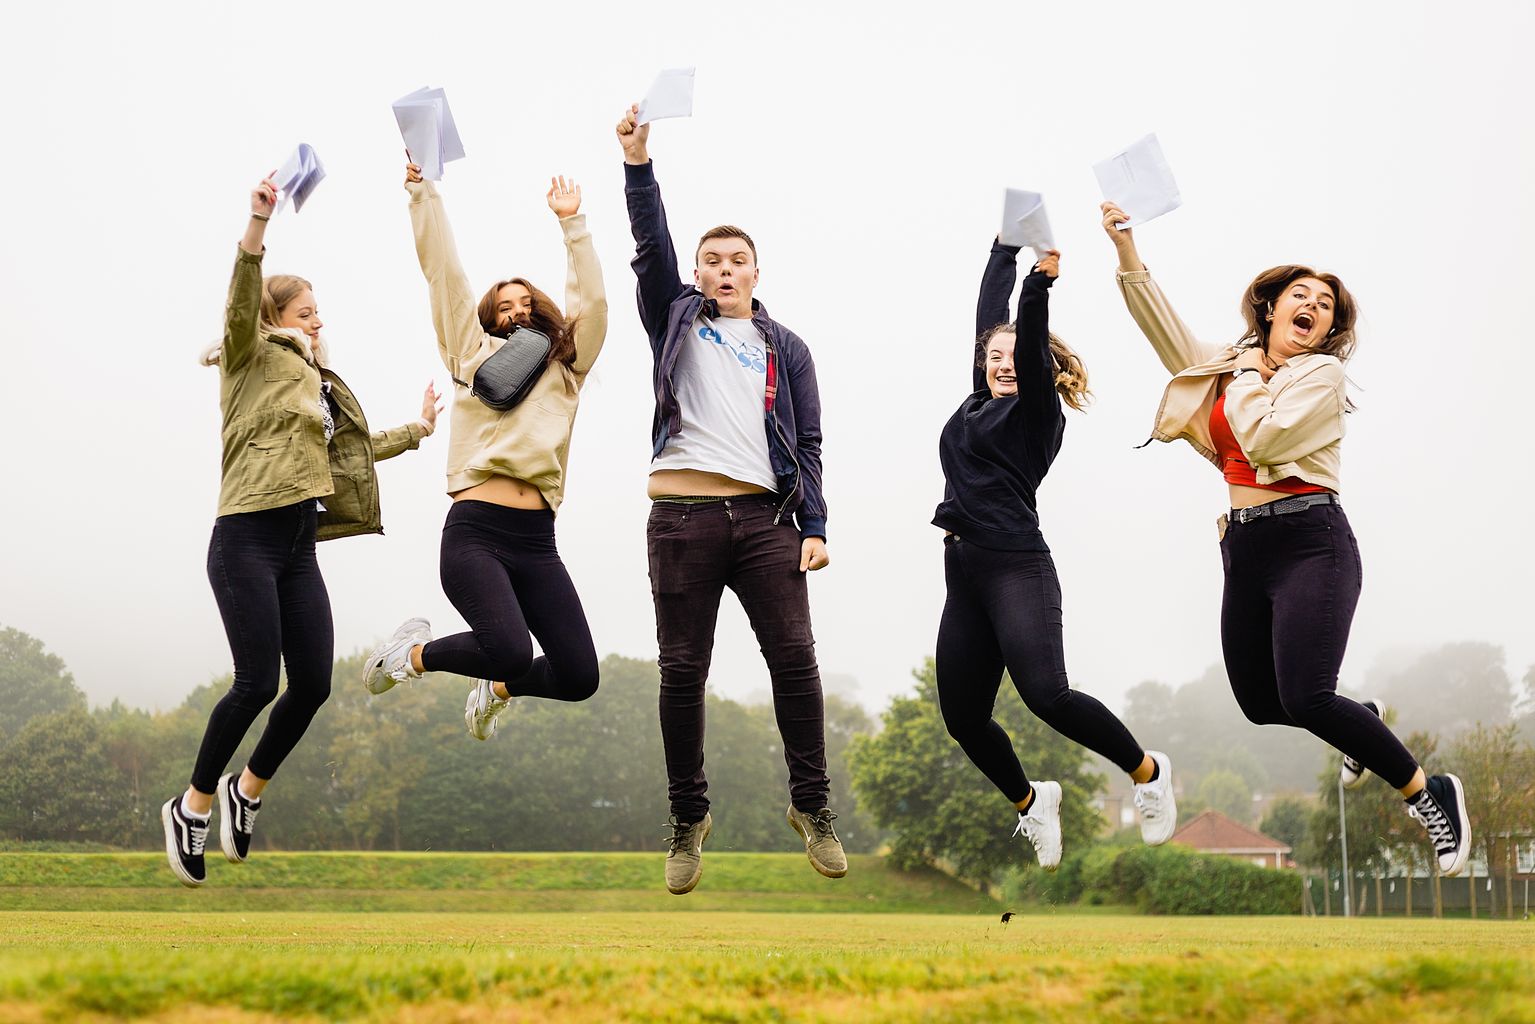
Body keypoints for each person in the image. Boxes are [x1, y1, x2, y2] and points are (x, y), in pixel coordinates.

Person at [1100, 199, 1470, 876]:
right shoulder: (1228, 361)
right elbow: (1160, 326)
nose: (1312, 306)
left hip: (1311, 542)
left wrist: (1242, 374)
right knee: (1258, 703)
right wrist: (1125, 249)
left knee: (1305, 695)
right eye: (1298, 296)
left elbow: (1262, 436)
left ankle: (1427, 792)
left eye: (1324, 305)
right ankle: (1359, 718)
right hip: (1245, 549)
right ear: (1268, 309)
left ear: (1329, 328)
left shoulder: (1319, 377)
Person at [163, 174, 438, 887]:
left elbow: (346, 453)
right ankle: (191, 806)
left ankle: (243, 791)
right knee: (256, 682)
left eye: (321, 312)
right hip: (245, 539)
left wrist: (418, 430)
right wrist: (257, 225)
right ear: (274, 316)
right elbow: (240, 297)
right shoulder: (250, 359)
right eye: (306, 312)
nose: (318, 321)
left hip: (294, 549)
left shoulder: (317, 383)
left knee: (311, 685)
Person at [615, 104, 842, 894]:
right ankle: (688, 819)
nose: (720, 268)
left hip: (764, 520)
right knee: (681, 671)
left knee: (795, 661)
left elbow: (807, 443)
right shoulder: (673, 319)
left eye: (735, 258)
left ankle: (811, 807)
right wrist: (637, 165)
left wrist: (814, 525)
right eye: (710, 258)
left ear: (755, 272)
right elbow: (650, 250)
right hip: (679, 517)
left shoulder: (788, 348)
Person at [934, 238, 1177, 870]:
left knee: (1048, 695)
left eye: (1017, 357)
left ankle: (1148, 771)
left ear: (1037, 362)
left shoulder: (1035, 413)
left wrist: (1038, 285)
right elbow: (990, 315)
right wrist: (1004, 245)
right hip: (964, 572)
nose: (1003, 364)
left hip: (1016, 565)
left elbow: (1022, 328)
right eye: (994, 356)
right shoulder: (979, 401)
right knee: (963, 717)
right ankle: (1031, 801)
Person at [362, 165, 605, 744]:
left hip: (537, 542)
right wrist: (423, 194)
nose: (517, 310)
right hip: (476, 533)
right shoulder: (470, 356)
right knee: (509, 648)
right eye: (504, 305)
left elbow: (591, 303)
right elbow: (444, 275)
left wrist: (574, 226)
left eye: (526, 302)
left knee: (578, 675)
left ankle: (493, 689)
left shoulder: (566, 369)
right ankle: (408, 657)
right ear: (489, 319)